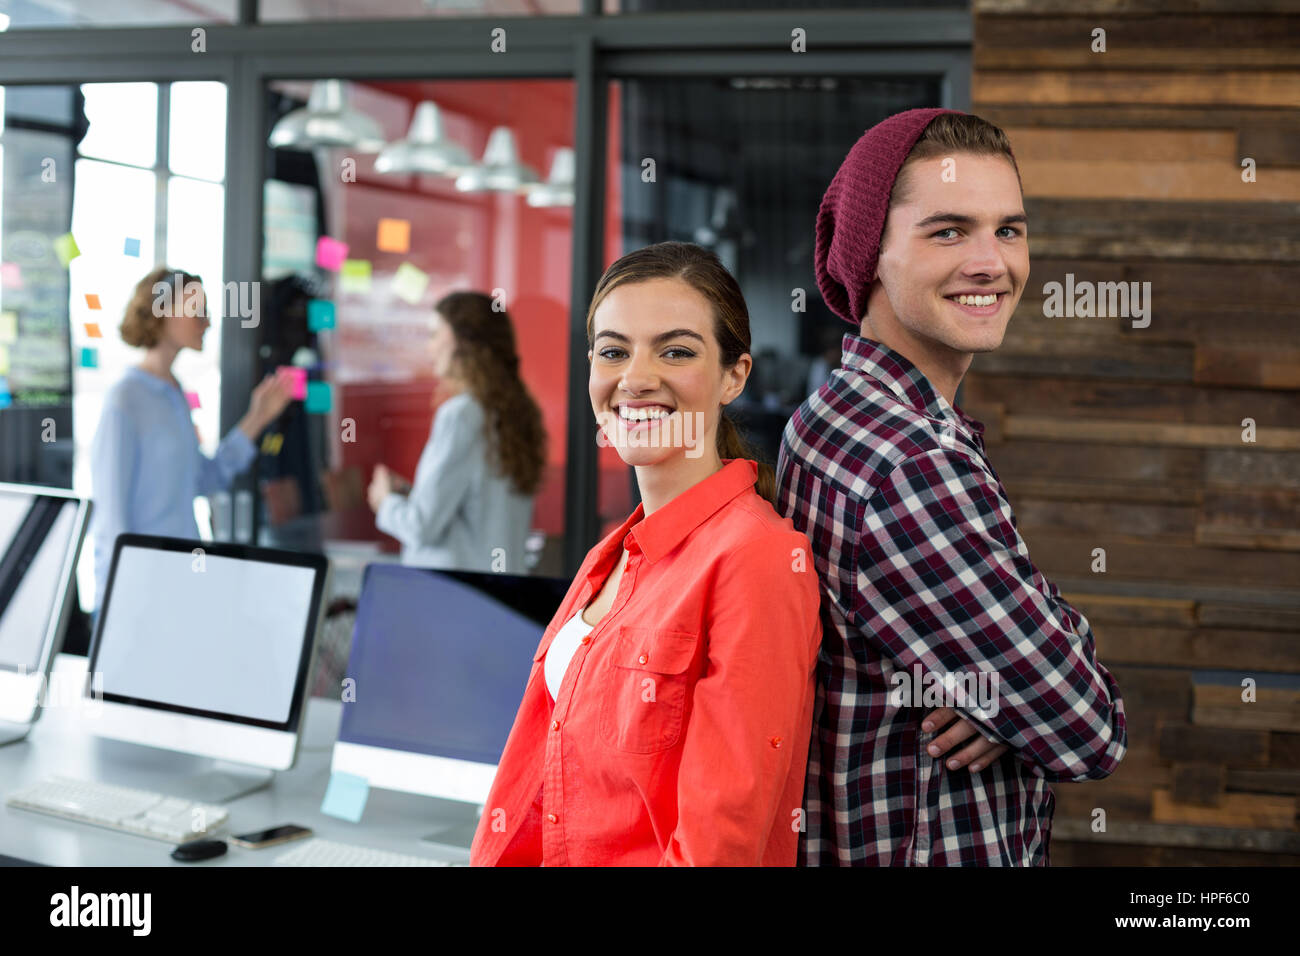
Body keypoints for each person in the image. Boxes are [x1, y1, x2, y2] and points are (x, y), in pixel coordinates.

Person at [777, 109, 1127, 866]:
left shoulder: (833, 411)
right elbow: (1087, 725)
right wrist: (1016, 689)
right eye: (948, 231)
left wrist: (995, 691)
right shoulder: (909, 462)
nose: (991, 263)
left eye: (1009, 230)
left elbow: (1031, 686)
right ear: (869, 255)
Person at [470, 241, 821, 866]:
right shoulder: (613, 553)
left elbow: (721, 846)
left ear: (734, 375)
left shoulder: (758, 558)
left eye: (676, 350)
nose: (635, 378)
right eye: (613, 351)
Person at [90, 267, 292, 609]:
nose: (206, 321)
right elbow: (111, 516)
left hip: (181, 583)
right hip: (139, 597)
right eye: (196, 308)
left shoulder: (174, 394)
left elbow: (203, 478)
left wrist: (257, 418)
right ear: (163, 312)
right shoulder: (125, 400)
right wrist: (114, 605)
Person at [366, 291, 545, 574]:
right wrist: (412, 494)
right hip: (502, 593)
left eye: (435, 334)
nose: (429, 348)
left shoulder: (460, 415)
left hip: (456, 598)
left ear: (463, 342)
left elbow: (421, 527)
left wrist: (385, 501)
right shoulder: (515, 414)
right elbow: (478, 513)